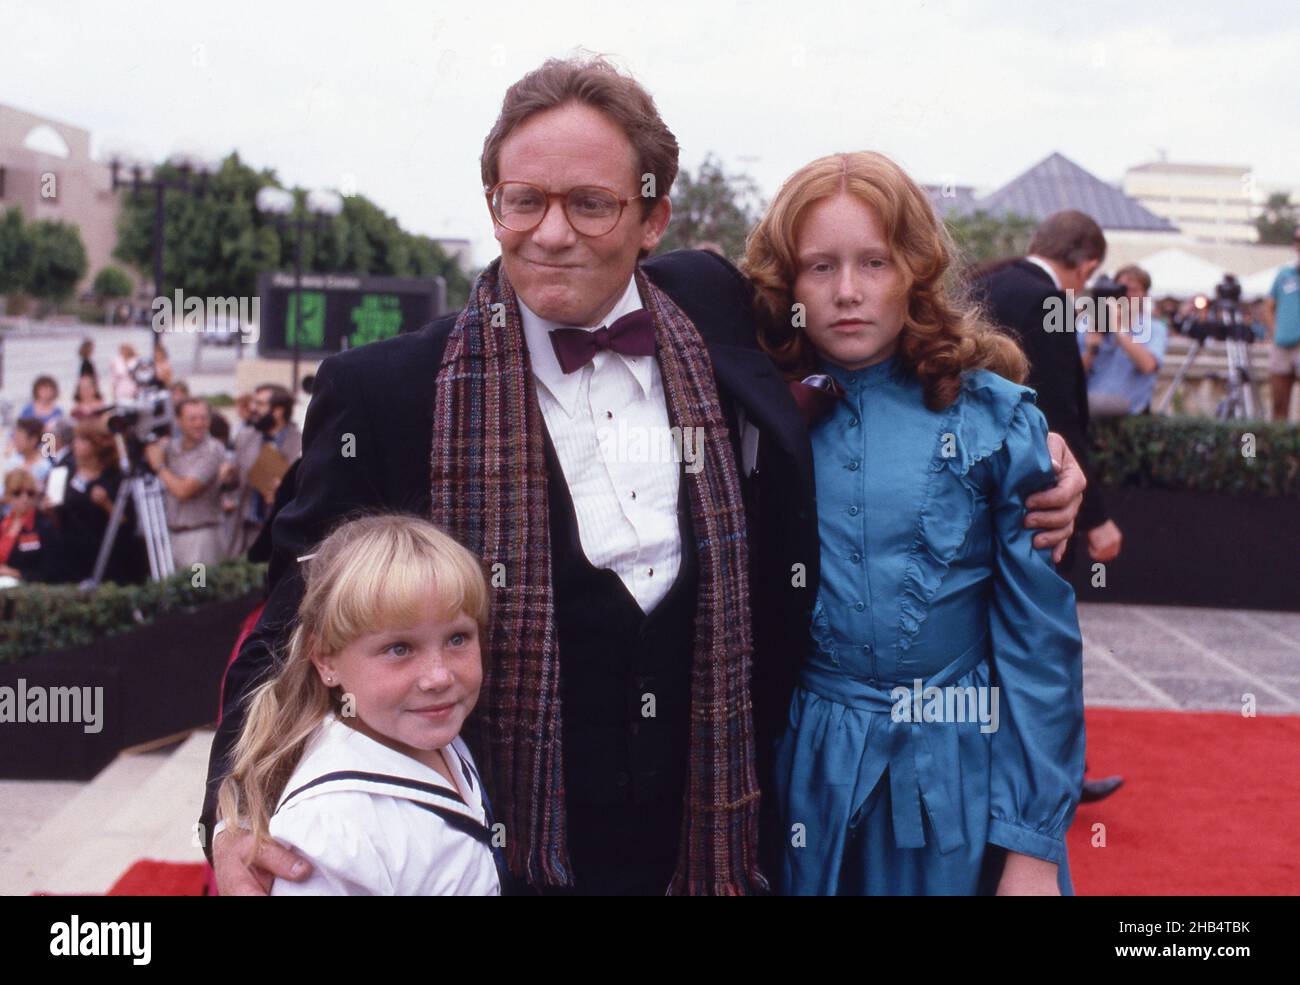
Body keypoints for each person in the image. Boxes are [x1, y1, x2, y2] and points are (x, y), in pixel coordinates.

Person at [202, 55, 1086, 897]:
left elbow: (875, 355)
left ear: (652, 218)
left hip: (725, 839)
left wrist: (1032, 448)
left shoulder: (715, 307)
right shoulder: (387, 392)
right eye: (525, 201)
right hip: (504, 850)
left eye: (591, 204)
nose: (552, 233)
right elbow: (291, 619)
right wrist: (233, 809)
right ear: (493, 203)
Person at [743, 152, 1084, 896]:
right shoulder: (752, 411)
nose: (849, 292)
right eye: (819, 267)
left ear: (917, 270)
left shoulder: (994, 418)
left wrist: (1031, 844)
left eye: (875, 261)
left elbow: (1040, 652)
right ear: (785, 281)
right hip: (807, 775)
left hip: (959, 770)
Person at [216, 514, 500, 895]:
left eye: (457, 639)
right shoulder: (332, 829)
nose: (439, 677)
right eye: (399, 648)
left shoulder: (433, 736)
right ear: (326, 661)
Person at [972, 211, 1122, 567]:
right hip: (1025, 498)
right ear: (1088, 266)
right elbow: (1057, 415)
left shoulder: (981, 281)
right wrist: (1096, 518)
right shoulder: (1047, 302)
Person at [45, 421, 141, 585]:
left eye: (83, 440)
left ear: (97, 444)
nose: (76, 445)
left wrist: (106, 504)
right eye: (76, 440)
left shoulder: (114, 477)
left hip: (107, 553)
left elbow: (126, 522)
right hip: (72, 553)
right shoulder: (63, 471)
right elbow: (56, 521)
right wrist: (49, 510)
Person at [144, 398, 227, 571]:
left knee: (199, 590)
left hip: (201, 538)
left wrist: (159, 467)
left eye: (203, 418)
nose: (199, 424)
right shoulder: (171, 448)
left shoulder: (212, 450)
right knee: (178, 592)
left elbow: (184, 491)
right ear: (178, 421)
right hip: (172, 535)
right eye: (192, 418)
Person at [1079, 264, 1168, 416]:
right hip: (1090, 408)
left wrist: (1118, 329)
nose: (1127, 295)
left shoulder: (1154, 328)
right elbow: (1075, 374)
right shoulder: (1088, 324)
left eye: (1133, 291)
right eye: (1122, 289)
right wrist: (1091, 350)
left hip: (1130, 410)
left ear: (1145, 295)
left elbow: (1148, 365)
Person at [230, 384, 303, 557]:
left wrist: (285, 490)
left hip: (282, 532)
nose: (253, 409)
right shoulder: (245, 437)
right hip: (248, 530)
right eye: (254, 403)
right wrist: (227, 477)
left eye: (260, 404)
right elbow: (237, 479)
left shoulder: (302, 441)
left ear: (278, 411)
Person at [1264, 225, 1300, 422]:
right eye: (1297, 240)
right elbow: (1268, 306)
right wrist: (1275, 331)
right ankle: (1279, 449)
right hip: (1283, 345)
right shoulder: (1284, 274)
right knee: (1279, 402)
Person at [0, 468, 56, 583]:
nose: (24, 499)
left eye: (30, 493)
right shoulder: (3, 522)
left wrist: (13, 573)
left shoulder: (43, 526)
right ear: (7, 496)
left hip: (24, 588)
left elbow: (49, 572)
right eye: (17, 493)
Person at [6, 418, 53, 490]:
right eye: (15, 438)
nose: (16, 442)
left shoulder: (45, 467)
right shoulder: (13, 462)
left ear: (33, 440)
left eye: (19, 438)